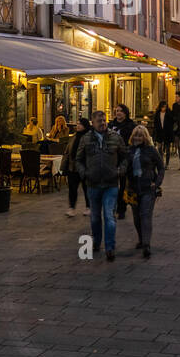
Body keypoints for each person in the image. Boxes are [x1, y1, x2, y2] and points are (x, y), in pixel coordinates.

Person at [76, 110, 127, 261]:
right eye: (99, 121)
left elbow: (125, 157)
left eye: (104, 120)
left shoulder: (115, 138)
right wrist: (84, 173)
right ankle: (97, 242)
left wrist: (120, 171)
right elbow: (78, 159)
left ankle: (110, 247)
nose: (103, 123)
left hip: (111, 183)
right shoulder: (86, 139)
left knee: (109, 216)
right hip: (93, 184)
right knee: (95, 218)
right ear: (93, 122)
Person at [123, 125, 164, 258]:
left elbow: (161, 168)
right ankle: (141, 239)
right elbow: (124, 167)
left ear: (145, 137)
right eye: (136, 135)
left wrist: (156, 183)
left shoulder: (151, 150)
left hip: (148, 188)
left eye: (140, 135)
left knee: (145, 215)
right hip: (133, 189)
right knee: (136, 217)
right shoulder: (129, 150)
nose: (138, 138)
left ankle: (146, 244)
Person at [64, 118, 91, 216]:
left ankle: (89, 206)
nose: (78, 126)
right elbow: (68, 151)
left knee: (86, 188)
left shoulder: (89, 137)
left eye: (80, 124)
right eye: (77, 124)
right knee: (72, 188)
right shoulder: (74, 137)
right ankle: (72, 207)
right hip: (73, 167)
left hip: (85, 166)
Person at [151, 101, 173, 167]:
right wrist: (155, 132)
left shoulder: (169, 113)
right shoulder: (157, 114)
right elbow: (155, 124)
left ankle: (167, 163)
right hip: (159, 133)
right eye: (162, 107)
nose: (163, 108)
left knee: (167, 149)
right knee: (159, 148)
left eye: (165, 107)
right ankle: (161, 162)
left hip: (167, 133)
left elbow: (171, 122)